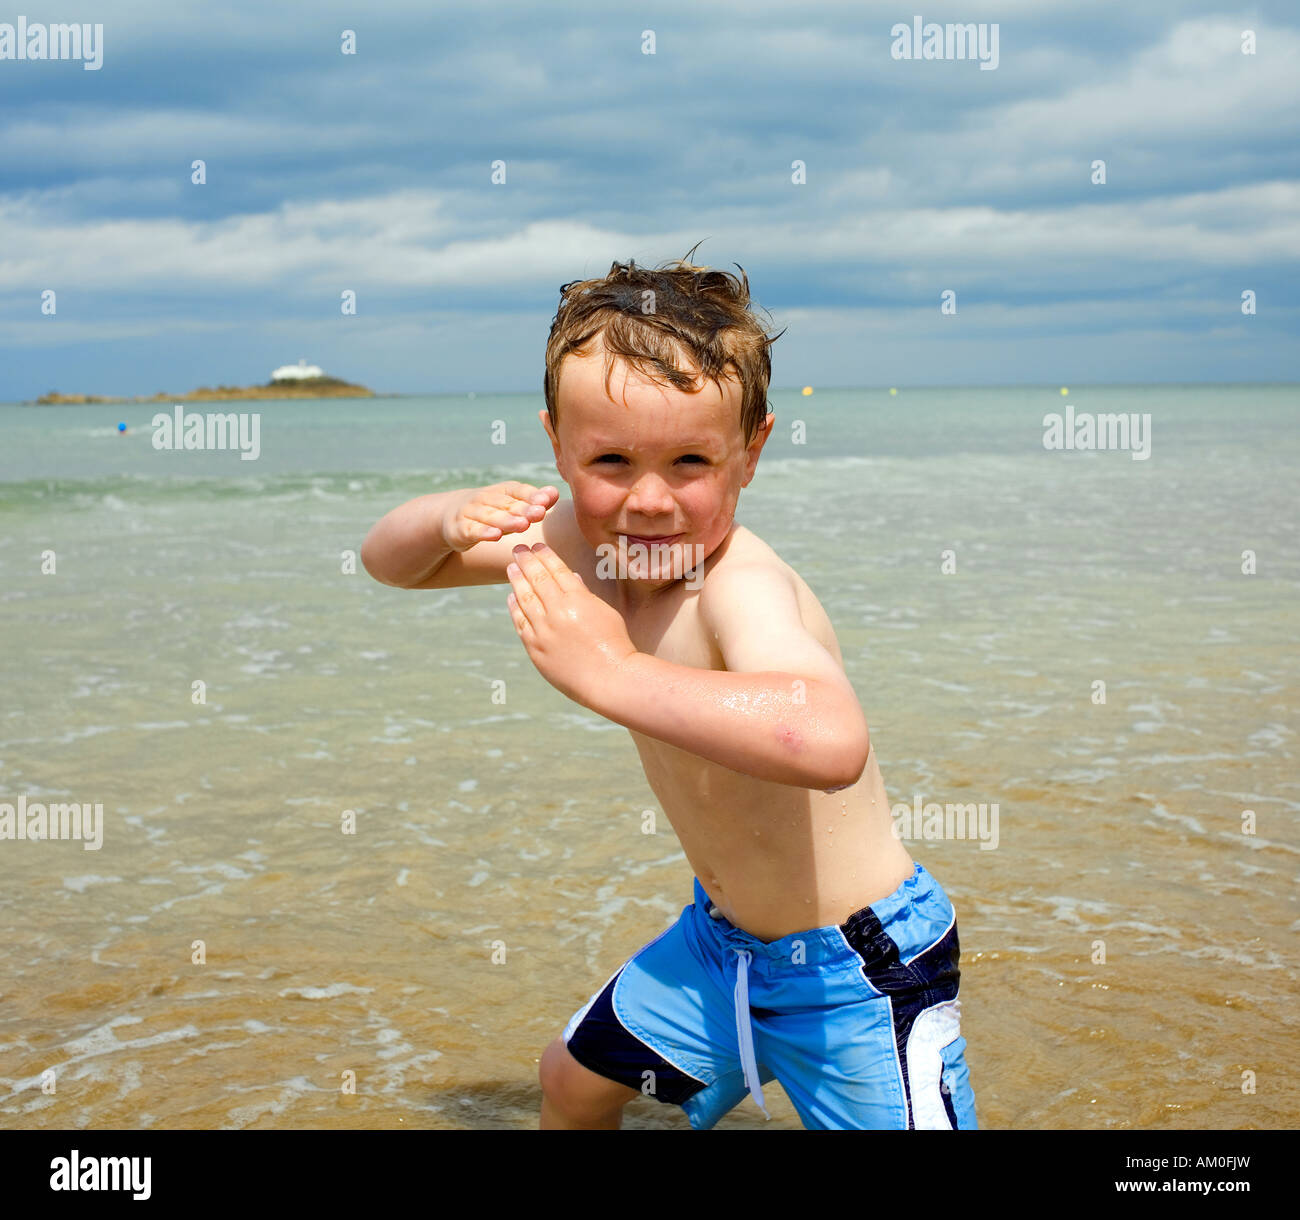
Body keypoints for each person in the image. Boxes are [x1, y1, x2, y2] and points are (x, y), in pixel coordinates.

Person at [360, 249, 978, 1130]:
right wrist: (445, 515)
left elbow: (831, 738)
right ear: (557, 447)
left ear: (750, 454)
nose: (648, 501)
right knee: (570, 1083)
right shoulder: (584, 541)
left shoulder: (738, 584)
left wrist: (614, 671)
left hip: (856, 967)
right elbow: (396, 568)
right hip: (719, 943)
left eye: (690, 461)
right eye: (610, 459)